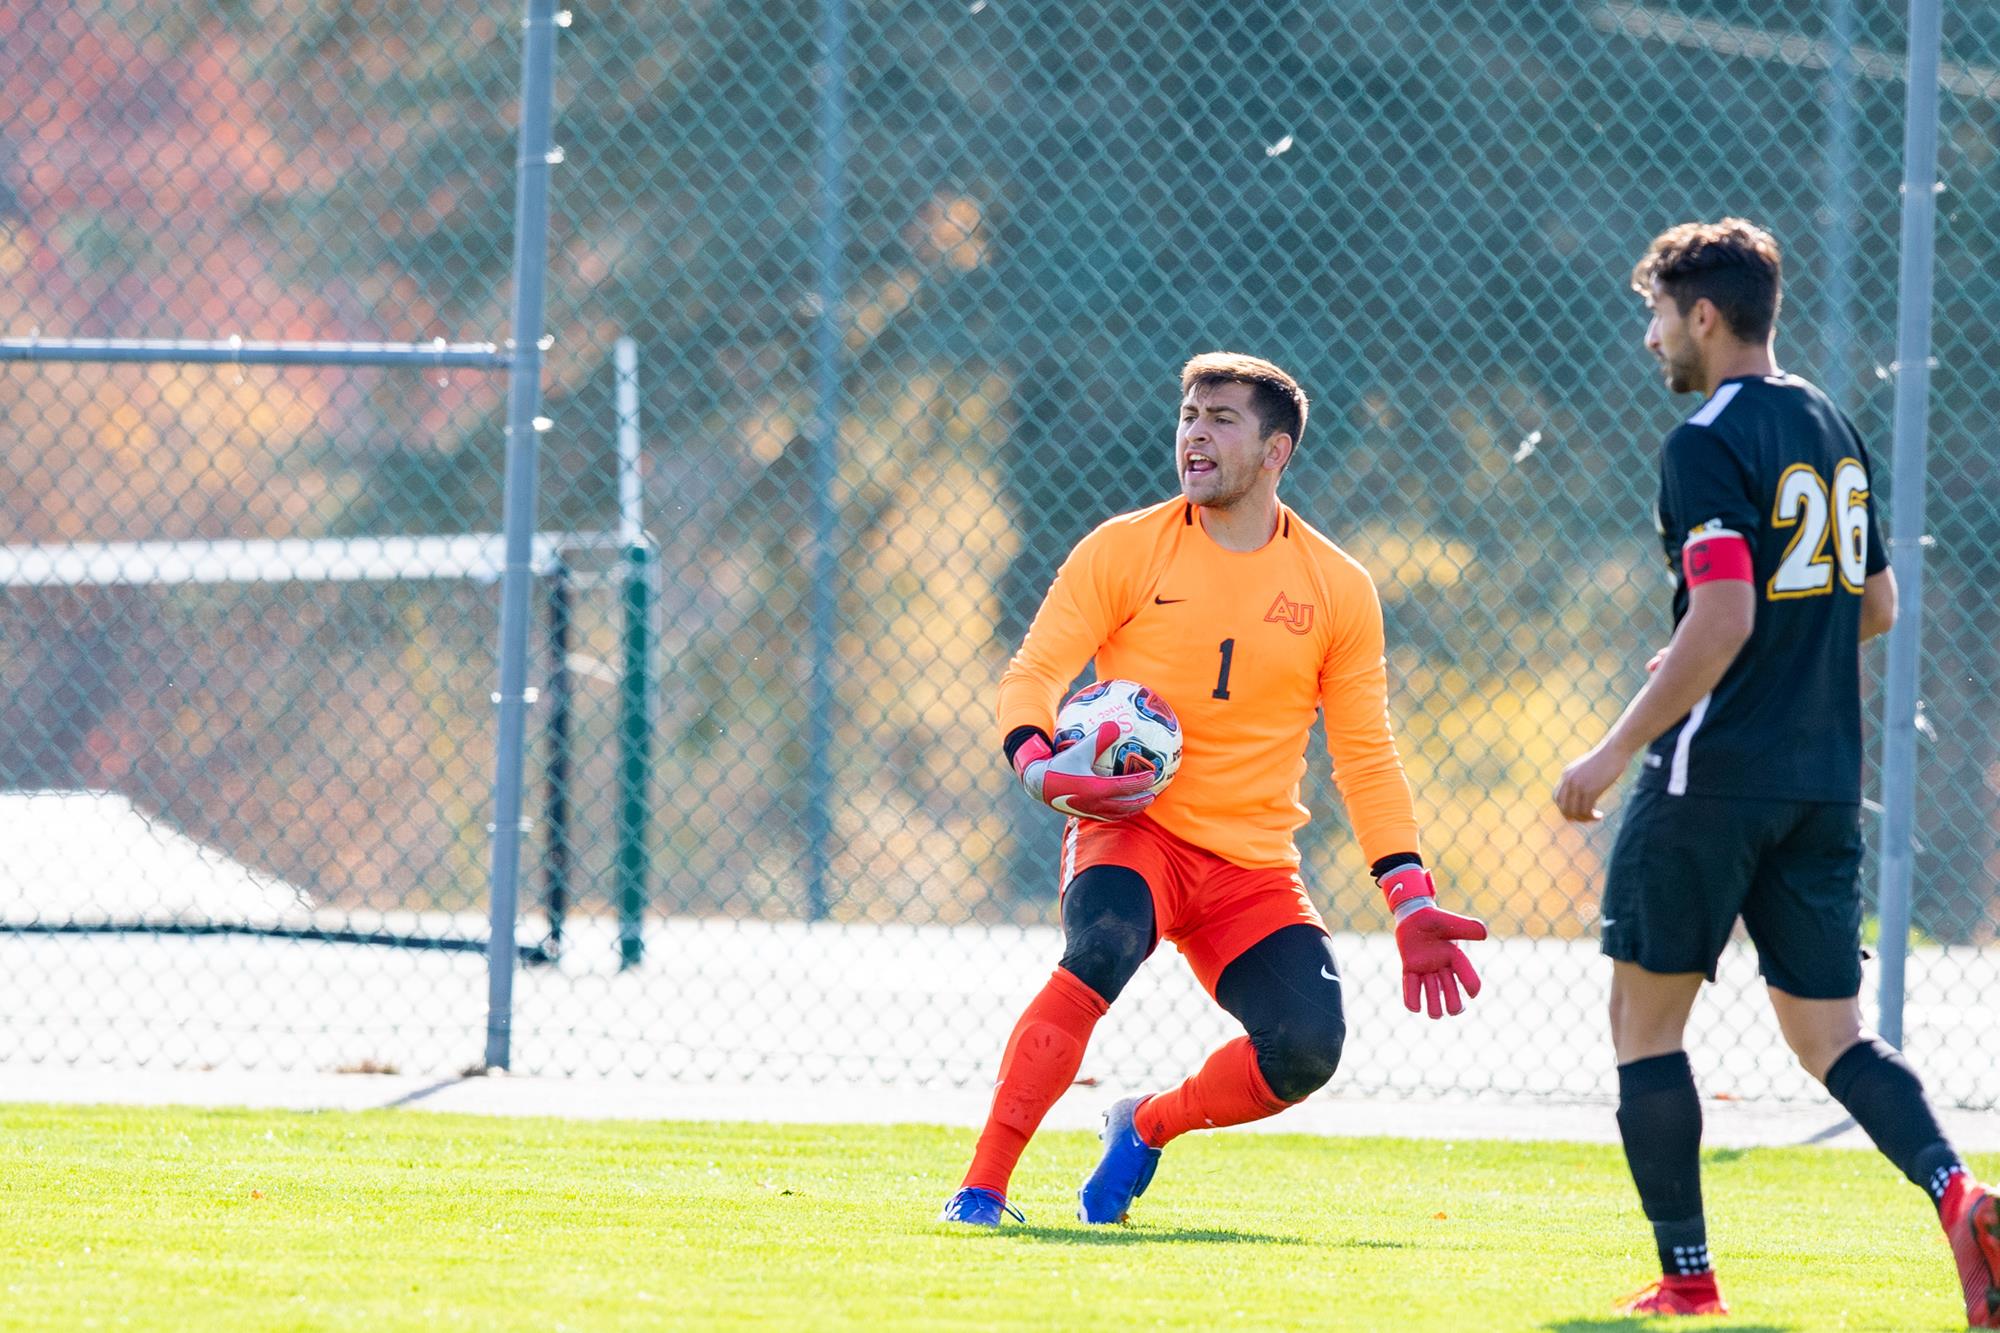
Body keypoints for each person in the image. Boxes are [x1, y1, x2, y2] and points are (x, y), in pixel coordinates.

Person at [1555, 218, 2000, 1323]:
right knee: (1830, 1038)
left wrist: (1612, 748)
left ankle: (1687, 1281)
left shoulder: (1702, 438)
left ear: (1702, 316)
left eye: (1657, 315)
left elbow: (1723, 609)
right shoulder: (1829, 423)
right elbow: (1877, 605)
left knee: (1642, 1028)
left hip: (1708, 780)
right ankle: (1958, 1193)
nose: (1652, 337)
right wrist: (1760, 650)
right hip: (1818, 779)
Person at [938, 351, 1487, 1229]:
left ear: (1276, 452)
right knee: (1101, 951)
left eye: (1222, 418)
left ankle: (1145, 1125)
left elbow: (1366, 754)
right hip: (1134, 833)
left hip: (1253, 868)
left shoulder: (1337, 587)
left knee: (1308, 1048)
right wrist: (1039, 763)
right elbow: (1033, 671)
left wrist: (1409, 895)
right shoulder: (1124, 549)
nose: (1195, 431)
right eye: (1190, 414)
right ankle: (982, 1188)